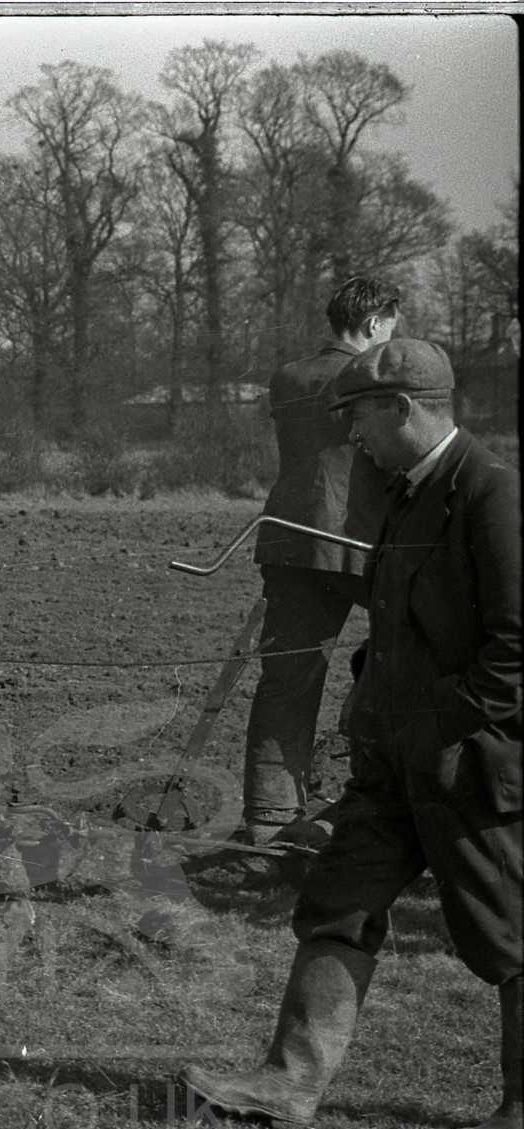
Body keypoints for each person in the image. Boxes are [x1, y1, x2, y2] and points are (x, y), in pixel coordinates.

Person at [181, 338, 521, 1129]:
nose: (352, 436)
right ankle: (289, 1081)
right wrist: (375, 711)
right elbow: (398, 627)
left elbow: (516, 649)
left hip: (471, 764)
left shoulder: (492, 497)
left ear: (404, 407)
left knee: (508, 929)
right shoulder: (407, 493)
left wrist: (440, 727)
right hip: (394, 761)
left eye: (360, 417)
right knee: (338, 898)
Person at [240, 276, 403, 847]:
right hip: (361, 542)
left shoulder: (288, 377)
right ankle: (390, 803)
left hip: (287, 538)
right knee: (407, 665)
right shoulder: (374, 374)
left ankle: (268, 816)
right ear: (376, 323)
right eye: (391, 327)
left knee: (286, 678)